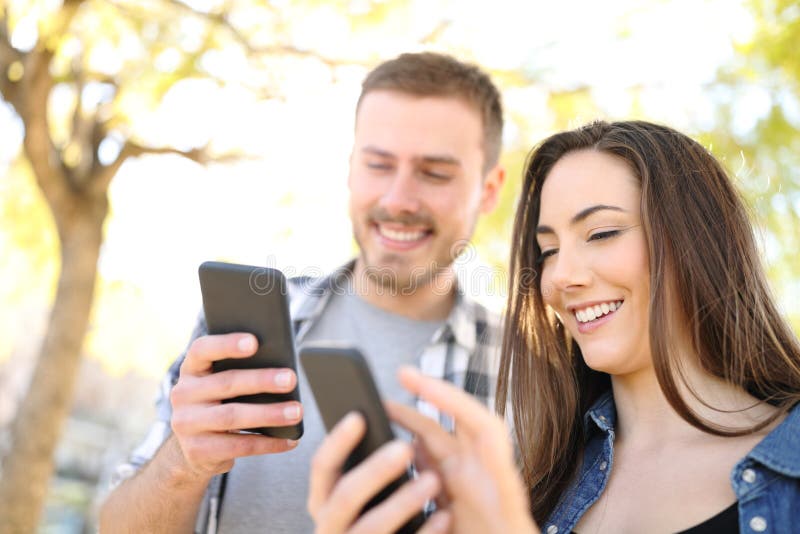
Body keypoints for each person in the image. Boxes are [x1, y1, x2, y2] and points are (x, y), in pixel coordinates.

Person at [308, 120, 800, 533]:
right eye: (548, 251)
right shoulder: (535, 485)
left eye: (602, 233)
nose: (561, 276)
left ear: (699, 241)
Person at [98, 52, 507, 533]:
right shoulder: (235, 332)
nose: (398, 199)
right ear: (351, 168)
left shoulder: (532, 375)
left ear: (488, 189)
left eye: (434, 173)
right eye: (378, 165)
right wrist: (182, 464)